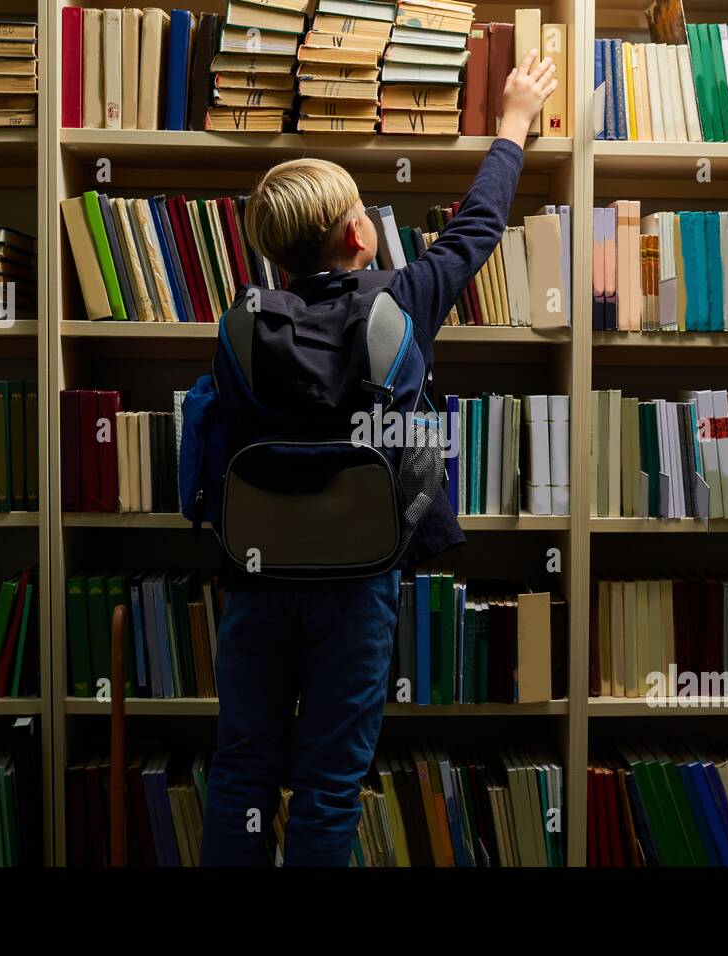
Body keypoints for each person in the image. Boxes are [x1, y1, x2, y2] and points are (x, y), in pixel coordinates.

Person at [199, 50, 559, 867]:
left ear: (273, 258)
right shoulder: (402, 299)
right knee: (328, 781)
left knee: (242, 768)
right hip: (360, 575)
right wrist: (511, 121)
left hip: (256, 576)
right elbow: (477, 227)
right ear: (363, 234)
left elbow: (215, 433)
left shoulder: (241, 323)